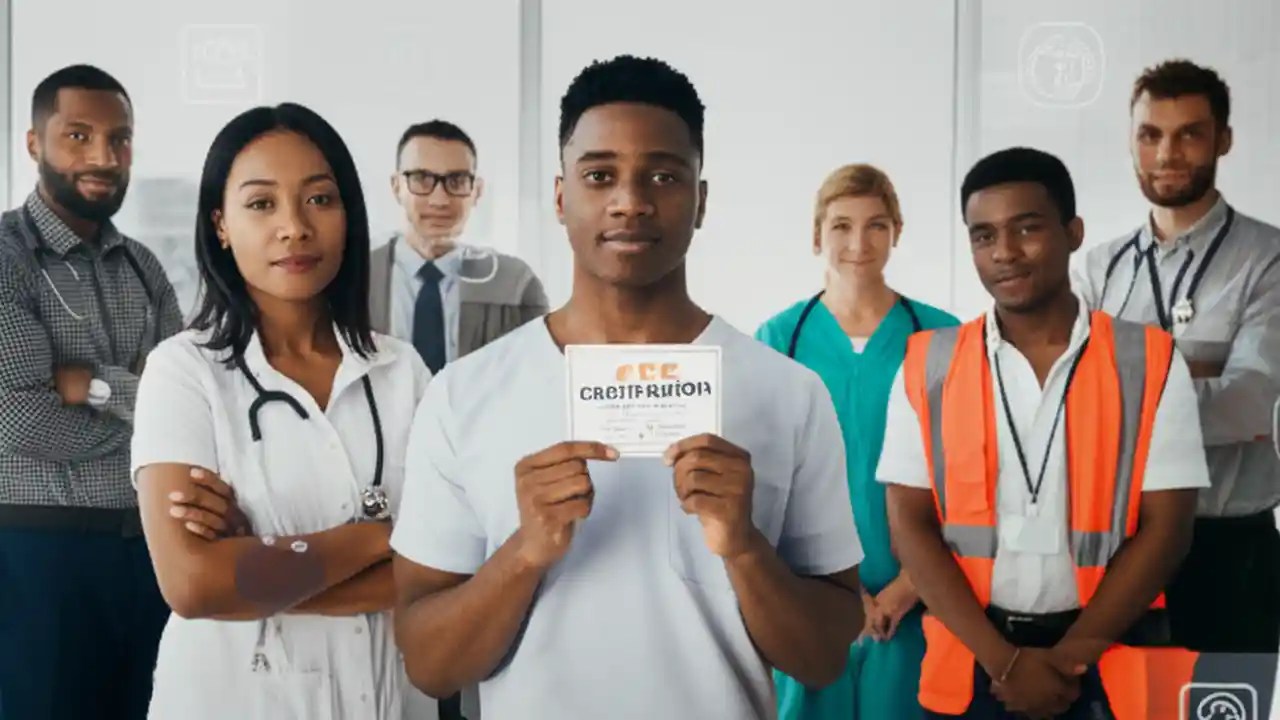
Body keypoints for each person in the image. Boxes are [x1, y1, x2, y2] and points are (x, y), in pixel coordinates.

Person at [389, 54, 864, 720]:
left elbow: (823, 659)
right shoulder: (464, 395)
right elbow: (428, 664)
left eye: (663, 176)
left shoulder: (788, 393)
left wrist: (745, 548)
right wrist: (523, 554)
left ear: (701, 200)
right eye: (600, 175)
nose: (630, 202)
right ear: (561, 198)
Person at [882, 147, 1210, 719]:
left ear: (1073, 232)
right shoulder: (928, 365)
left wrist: (1066, 661)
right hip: (973, 666)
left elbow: (1169, 528)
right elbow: (909, 525)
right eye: (984, 236)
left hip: (1106, 665)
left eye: (1027, 228)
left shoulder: (1148, 361)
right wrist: (1005, 663)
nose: (1004, 252)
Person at [130, 103, 430, 719]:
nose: (294, 227)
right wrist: (382, 537)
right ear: (221, 224)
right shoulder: (183, 371)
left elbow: (443, 571)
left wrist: (260, 569)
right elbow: (193, 584)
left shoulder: (403, 372)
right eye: (262, 203)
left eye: (319, 199)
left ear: (349, 215)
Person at [1072, 59, 1280, 708]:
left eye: (1190, 133)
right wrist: (1196, 374)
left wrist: (1121, 387)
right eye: (1150, 135)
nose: (1167, 154)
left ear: (1224, 140)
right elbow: (1066, 401)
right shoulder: (1098, 269)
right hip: (1113, 550)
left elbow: (1250, 403)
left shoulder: (1268, 259)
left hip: (1229, 556)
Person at [0, 64, 183, 719]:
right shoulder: (7, 258)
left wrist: (93, 385)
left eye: (119, 139)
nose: (104, 157)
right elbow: (20, 421)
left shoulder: (144, 267)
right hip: (37, 552)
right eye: (78, 136)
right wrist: (143, 418)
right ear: (34, 144)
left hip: (150, 552)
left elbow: (183, 410)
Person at [756, 163, 958, 720]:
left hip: (919, 599)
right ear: (816, 235)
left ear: (897, 232)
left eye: (876, 225)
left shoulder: (943, 337)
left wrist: (910, 586)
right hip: (811, 599)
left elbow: (971, 476)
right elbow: (765, 484)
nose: (858, 243)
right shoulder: (778, 340)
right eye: (841, 226)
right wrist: (833, 593)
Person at [372, 120, 548, 374]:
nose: (440, 200)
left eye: (457, 181)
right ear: (396, 186)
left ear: (477, 191)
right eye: (421, 179)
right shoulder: (352, 279)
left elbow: (540, 376)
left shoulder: (516, 285)